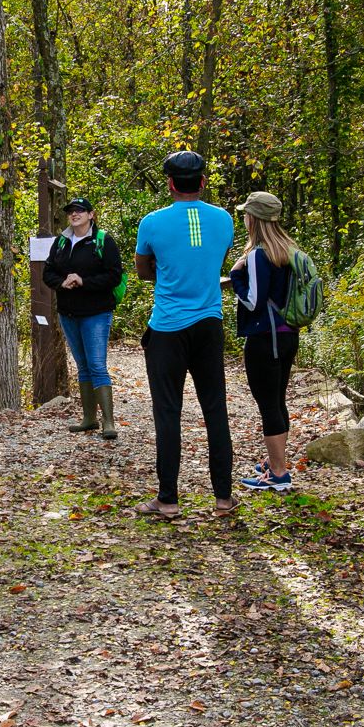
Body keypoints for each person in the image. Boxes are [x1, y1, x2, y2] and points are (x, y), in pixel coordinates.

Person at [133, 151, 236, 519]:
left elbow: (144, 270)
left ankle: (168, 499)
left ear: (170, 183)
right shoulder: (224, 220)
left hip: (167, 327)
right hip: (209, 323)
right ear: (203, 182)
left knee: (168, 412)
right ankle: (223, 497)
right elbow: (216, 261)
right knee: (215, 409)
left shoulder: (152, 223)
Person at [228, 191, 300, 492]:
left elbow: (254, 300)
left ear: (253, 218)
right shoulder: (289, 249)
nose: (244, 218)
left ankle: (279, 473)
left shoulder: (259, 254)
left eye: (246, 213)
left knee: (268, 404)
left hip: (264, 337)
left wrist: (236, 277)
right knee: (277, 400)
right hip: (287, 335)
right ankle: (276, 464)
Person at [42, 196, 124, 440]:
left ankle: (108, 422)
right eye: (71, 211)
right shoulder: (61, 242)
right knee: (83, 367)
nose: (74, 214)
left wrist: (83, 281)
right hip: (68, 312)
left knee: (97, 365)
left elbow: (114, 276)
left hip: (96, 312)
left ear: (91, 215)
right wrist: (63, 282)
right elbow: (49, 273)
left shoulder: (103, 241)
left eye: (80, 210)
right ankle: (89, 419)